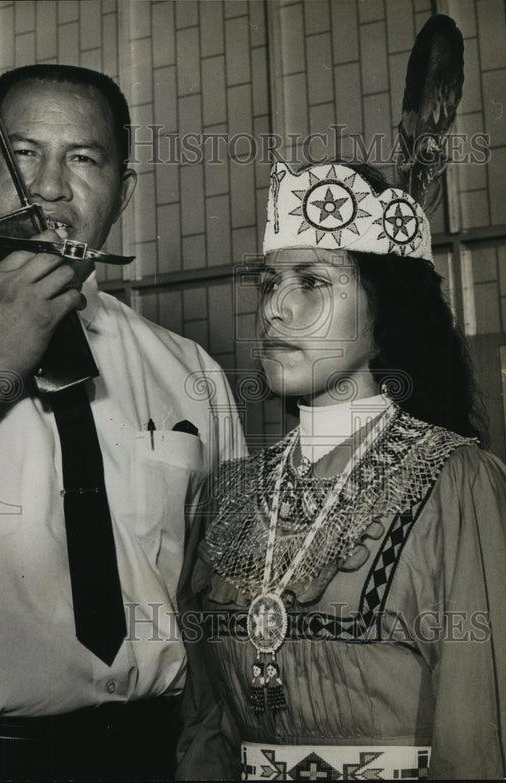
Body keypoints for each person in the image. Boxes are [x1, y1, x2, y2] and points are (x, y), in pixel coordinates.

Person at [0, 64, 245, 782]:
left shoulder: (190, 371)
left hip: (149, 755)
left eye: (82, 158)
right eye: (22, 154)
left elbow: (226, 597)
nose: (48, 188)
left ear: (123, 191)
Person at [175, 159, 506, 781]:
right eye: (269, 284)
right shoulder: (230, 496)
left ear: (385, 316)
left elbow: (479, 735)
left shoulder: (455, 483)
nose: (275, 309)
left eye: (313, 282)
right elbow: (207, 728)